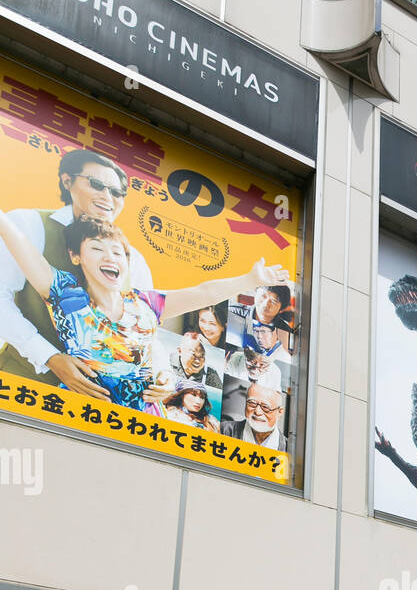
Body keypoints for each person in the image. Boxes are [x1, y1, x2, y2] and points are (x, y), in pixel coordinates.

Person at [0, 209, 291, 411]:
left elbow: (204, 292)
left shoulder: (145, 304)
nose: (110, 257)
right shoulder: (67, 295)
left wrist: (250, 280)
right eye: (97, 249)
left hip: (138, 421)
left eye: (118, 252)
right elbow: (21, 246)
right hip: (80, 411)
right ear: (77, 256)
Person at [0, 148, 153, 395]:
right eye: (96, 185)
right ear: (67, 181)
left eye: (116, 192)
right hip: (20, 390)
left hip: (101, 411)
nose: (107, 197)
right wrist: (49, 356)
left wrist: (162, 373)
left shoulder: (135, 260)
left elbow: (147, 329)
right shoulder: (30, 223)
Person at [221, 381, 286, 450]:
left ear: (280, 412)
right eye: (252, 403)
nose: (257, 412)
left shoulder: (288, 448)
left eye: (265, 407)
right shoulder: (223, 430)